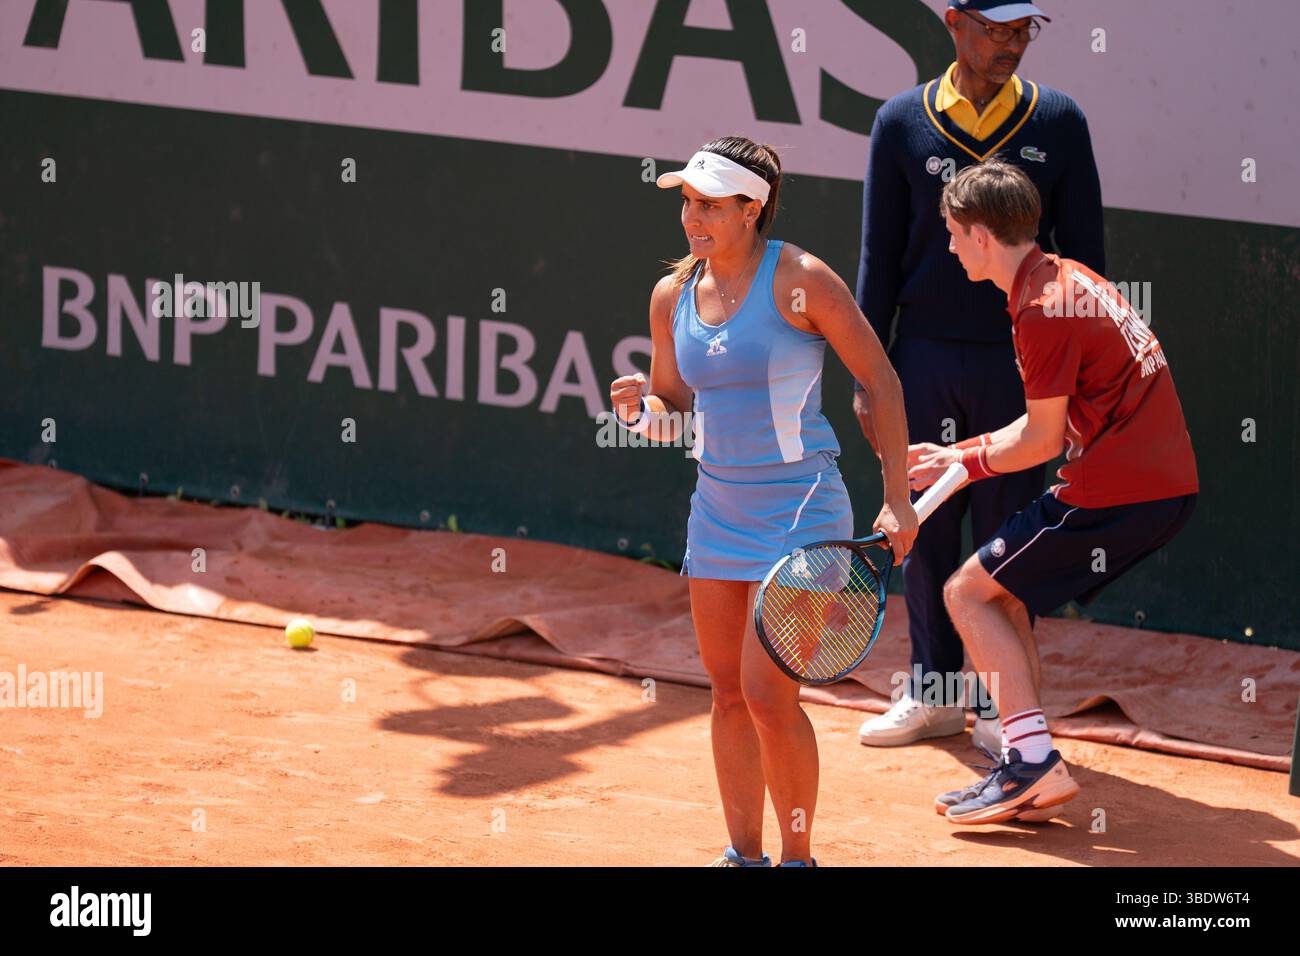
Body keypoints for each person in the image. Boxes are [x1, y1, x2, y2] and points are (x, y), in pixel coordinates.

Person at [608, 137, 917, 865]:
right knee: (725, 696)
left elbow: (883, 383)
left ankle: (798, 859)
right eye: (688, 201)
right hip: (717, 512)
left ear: (753, 208)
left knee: (769, 698)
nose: (692, 216)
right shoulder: (672, 295)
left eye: (710, 204)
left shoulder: (803, 280)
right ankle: (743, 856)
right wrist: (636, 414)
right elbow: (673, 408)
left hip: (803, 513)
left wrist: (897, 500)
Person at [908, 159, 1198, 824]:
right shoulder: (1066, 280)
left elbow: (1039, 444)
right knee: (999, 595)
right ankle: (1028, 764)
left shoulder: (1040, 309)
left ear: (982, 235)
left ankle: (1032, 762)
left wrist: (971, 466)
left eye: (953, 232)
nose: (948, 246)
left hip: (1116, 492)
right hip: (1152, 487)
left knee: (965, 591)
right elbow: (1048, 421)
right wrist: (960, 453)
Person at [852, 0, 1105, 760]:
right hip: (922, 359)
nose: (1011, 44)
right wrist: (872, 373)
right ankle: (934, 697)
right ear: (954, 22)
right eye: (995, 29)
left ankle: (1008, 712)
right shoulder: (901, 122)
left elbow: (1085, 257)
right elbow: (878, 256)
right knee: (923, 532)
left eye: (1022, 30)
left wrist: (1081, 366)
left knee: (1011, 540)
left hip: (1024, 364)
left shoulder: (1059, 121)